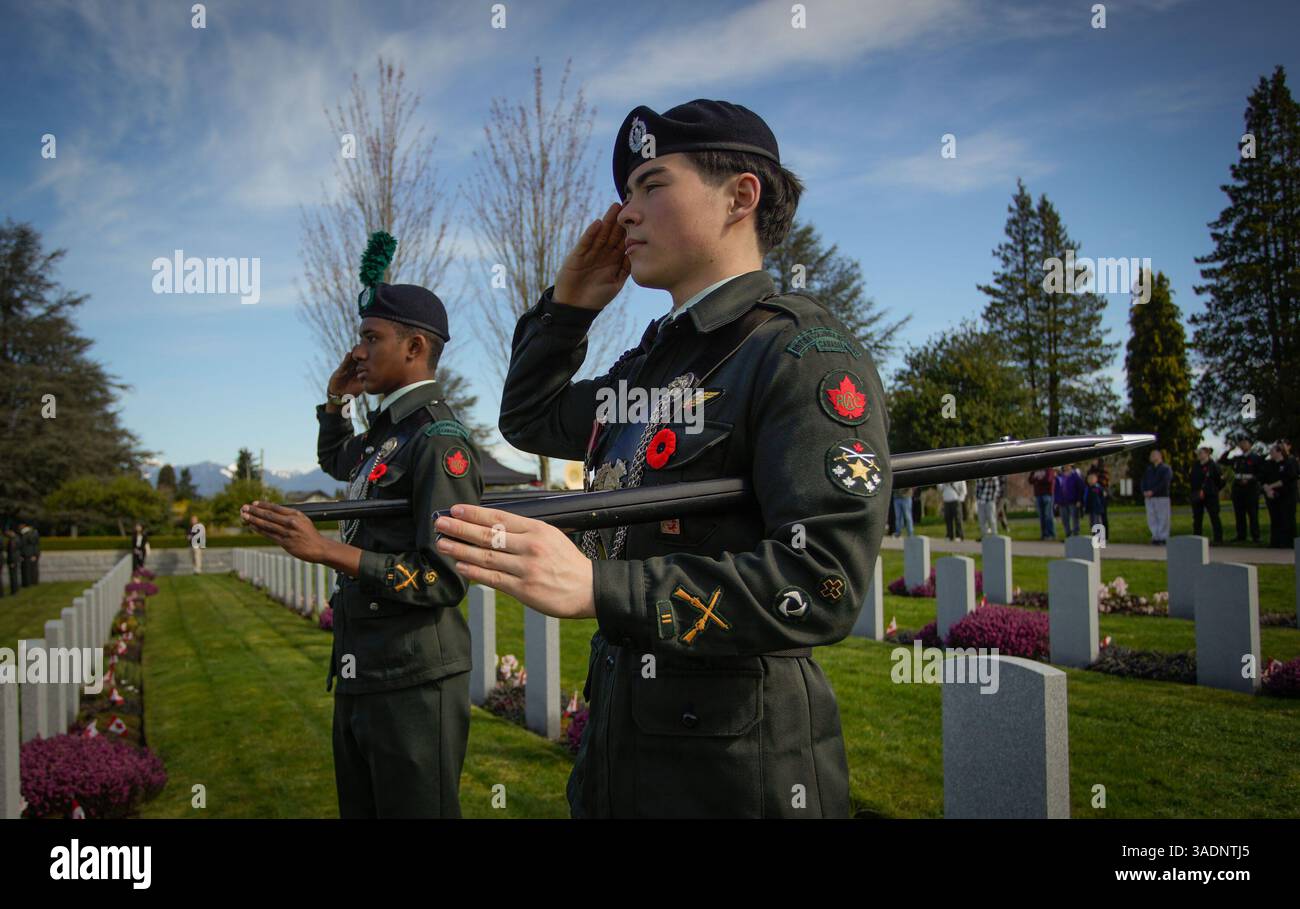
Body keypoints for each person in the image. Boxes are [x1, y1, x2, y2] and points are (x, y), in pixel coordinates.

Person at [436, 99, 890, 818]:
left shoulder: (796, 354)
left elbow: (822, 580)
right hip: (627, 756)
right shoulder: (654, 365)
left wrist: (601, 588)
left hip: (737, 777)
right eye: (624, 194)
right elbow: (530, 417)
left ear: (741, 196)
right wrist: (568, 309)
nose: (625, 214)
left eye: (651, 185)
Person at [242, 232, 482, 819]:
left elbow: (444, 579)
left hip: (413, 677)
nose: (358, 353)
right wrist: (333, 403)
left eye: (371, 339)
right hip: (366, 670)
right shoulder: (389, 436)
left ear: (415, 346)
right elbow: (339, 462)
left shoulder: (437, 442)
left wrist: (326, 552)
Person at [1219, 436, 1264, 543]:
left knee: (1252, 513)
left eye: (1245, 442)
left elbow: (1261, 473)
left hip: (1251, 488)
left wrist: (1251, 479)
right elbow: (1222, 460)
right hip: (1238, 488)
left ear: (1250, 445)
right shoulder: (1237, 458)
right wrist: (1229, 450)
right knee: (1239, 513)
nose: (1242, 445)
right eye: (1241, 443)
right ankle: (1241, 535)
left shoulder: (1255, 458)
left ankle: (1255, 536)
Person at [1262, 442, 1298, 548]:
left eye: (1272, 451)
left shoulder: (1289, 463)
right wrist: (1267, 489)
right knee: (1275, 519)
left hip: (1287, 496)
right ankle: (1275, 542)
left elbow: (1288, 479)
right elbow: (1263, 478)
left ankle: (1288, 542)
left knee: (1287, 518)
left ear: (1279, 452)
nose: (1271, 454)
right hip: (1273, 496)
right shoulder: (1269, 464)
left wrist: (1271, 486)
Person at [1189, 445, 1224, 544]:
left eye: (1201, 453)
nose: (1199, 455)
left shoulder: (1213, 466)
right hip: (1197, 494)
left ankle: (1218, 538)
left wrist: (1211, 490)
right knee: (1197, 518)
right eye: (1198, 453)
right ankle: (1197, 537)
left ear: (1207, 454)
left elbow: (1220, 481)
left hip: (1210, 495)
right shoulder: (1195, 466)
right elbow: (1192, 479)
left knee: (1214, 516)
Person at [1141, 448, 1173, 544]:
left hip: (1161, 496)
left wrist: (1153, 491)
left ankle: (1163, 537)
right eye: (1151, 455)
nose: (1152, 457)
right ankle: (1155, 536)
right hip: (1149, 497)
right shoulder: (1149, 470)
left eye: (1154, 455)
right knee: (1152, 517)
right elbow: (1143, 481)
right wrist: (1144, 491)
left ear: (1159, 456)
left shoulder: (1166, 469)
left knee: (1163, 517)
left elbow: (1164, 482)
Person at [1053, 463, 1084, 538]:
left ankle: (1076, 535)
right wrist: (1056, 501)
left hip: (1073, 501)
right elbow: (1056, 490)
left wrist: (1079, 500)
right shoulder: (1060, 476)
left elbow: (1080, 488)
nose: (1066, 466)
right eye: (1065, 465)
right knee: (1064, 519)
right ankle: (1068, 535)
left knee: (1074, 518)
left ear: (1071, 465)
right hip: (1062, 502)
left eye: (1068, 465)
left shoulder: (1075, 475)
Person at [1029, 467, 1056, 540]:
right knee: (1041, 516)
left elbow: (1048, 479)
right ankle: (1044, 534)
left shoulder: (1049, 469)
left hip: (1047, 495)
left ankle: (1051, 534)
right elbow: (1030, 480)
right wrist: (1038, 479)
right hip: (1038, 495)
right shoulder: (1035, 469)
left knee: (1048, 515)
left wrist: (1037, 479)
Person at [1087, 458, 1111, 536]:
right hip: (1092, 498)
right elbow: (1087, 480)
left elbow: (1105, 481)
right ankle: (1095, 535)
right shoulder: (1091, 470)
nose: (1093, 461)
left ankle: (1104, 535)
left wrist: (1096, 483)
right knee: (1093, 519)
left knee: (1102, 518)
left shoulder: (1103, 470)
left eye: (1095, 459)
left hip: (1101, 497)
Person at [1083, 470, 1107, 539]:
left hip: (1097, 508)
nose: (1090, 480)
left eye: (1092, 479)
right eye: (1089, 479)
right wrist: (1085, 506)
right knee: (1092, 523)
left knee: (1098, 522)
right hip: (1090, 509)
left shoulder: (1098, 488)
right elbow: (1085, 498)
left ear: (1096, 480)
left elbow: (1103, 497)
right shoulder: (1087, 489)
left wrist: (1101, 505)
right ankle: (1094, 536)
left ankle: (1100, 537)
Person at [3, 528, 18, 594]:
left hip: (12, 560)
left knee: (13, 576)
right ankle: (15, 589)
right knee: (14, 575)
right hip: (15, 559)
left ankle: (14, 590)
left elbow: (11, 552)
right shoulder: (16, 539)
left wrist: (12, 561)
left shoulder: (12, 540)